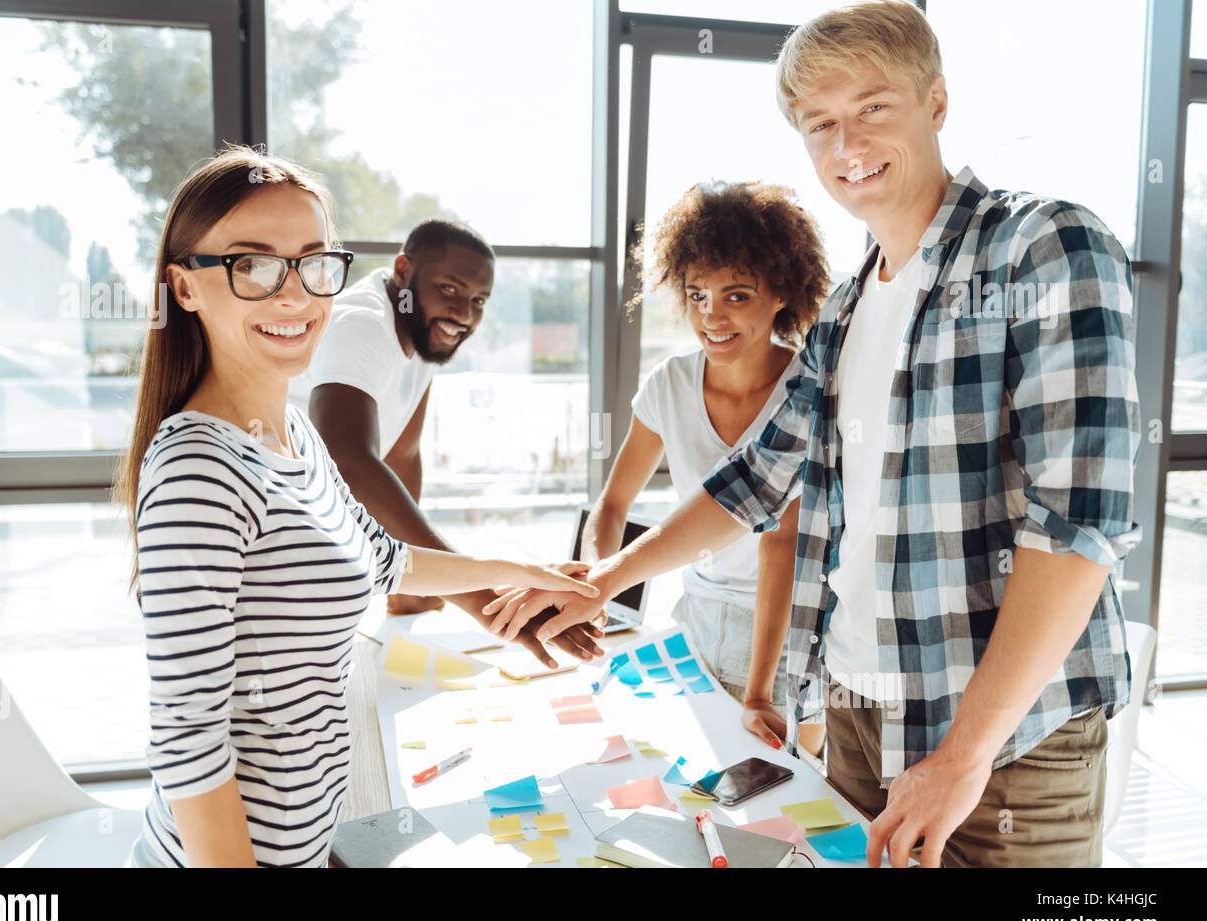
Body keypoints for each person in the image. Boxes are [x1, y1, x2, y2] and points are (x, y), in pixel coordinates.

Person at [483, 0, 1141, 868]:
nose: (847, 145)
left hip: (1006, 748)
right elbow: (755, 482)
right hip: (858, 721)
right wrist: (602, 581)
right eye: (819, 124)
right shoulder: (845, 308)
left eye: (873, 108)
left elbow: (1079, 523)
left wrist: (965, 752)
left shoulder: (1043, 246)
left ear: (936, 101)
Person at [116, 145, 599, 867]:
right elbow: (187, 741)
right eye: (252, 265)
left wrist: (513, 572)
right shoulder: (199, 469)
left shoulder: (297, 437)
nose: (294, 295)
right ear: (184, 288)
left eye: (312, 261)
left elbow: (383, 558)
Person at [576, 181, 829, 756]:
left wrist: (761, 691)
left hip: (784, 630)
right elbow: (612, 507)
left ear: (782, 294)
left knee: (775, 789)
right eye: (697, 295)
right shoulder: (669, 384)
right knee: (691, 777)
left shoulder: (809, 395)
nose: (711, 315)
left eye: (737, 295)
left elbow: (779, 545)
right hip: (694, 616)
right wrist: (600, 593)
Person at [291, 220, 604, 670]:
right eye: (451, 290)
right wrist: (482, 601)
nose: (464, 314)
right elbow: (347, 459)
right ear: (404, 270)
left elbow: (403, 455)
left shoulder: (419, 330)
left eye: (479, 301)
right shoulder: (363, 324)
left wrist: (410, 582)